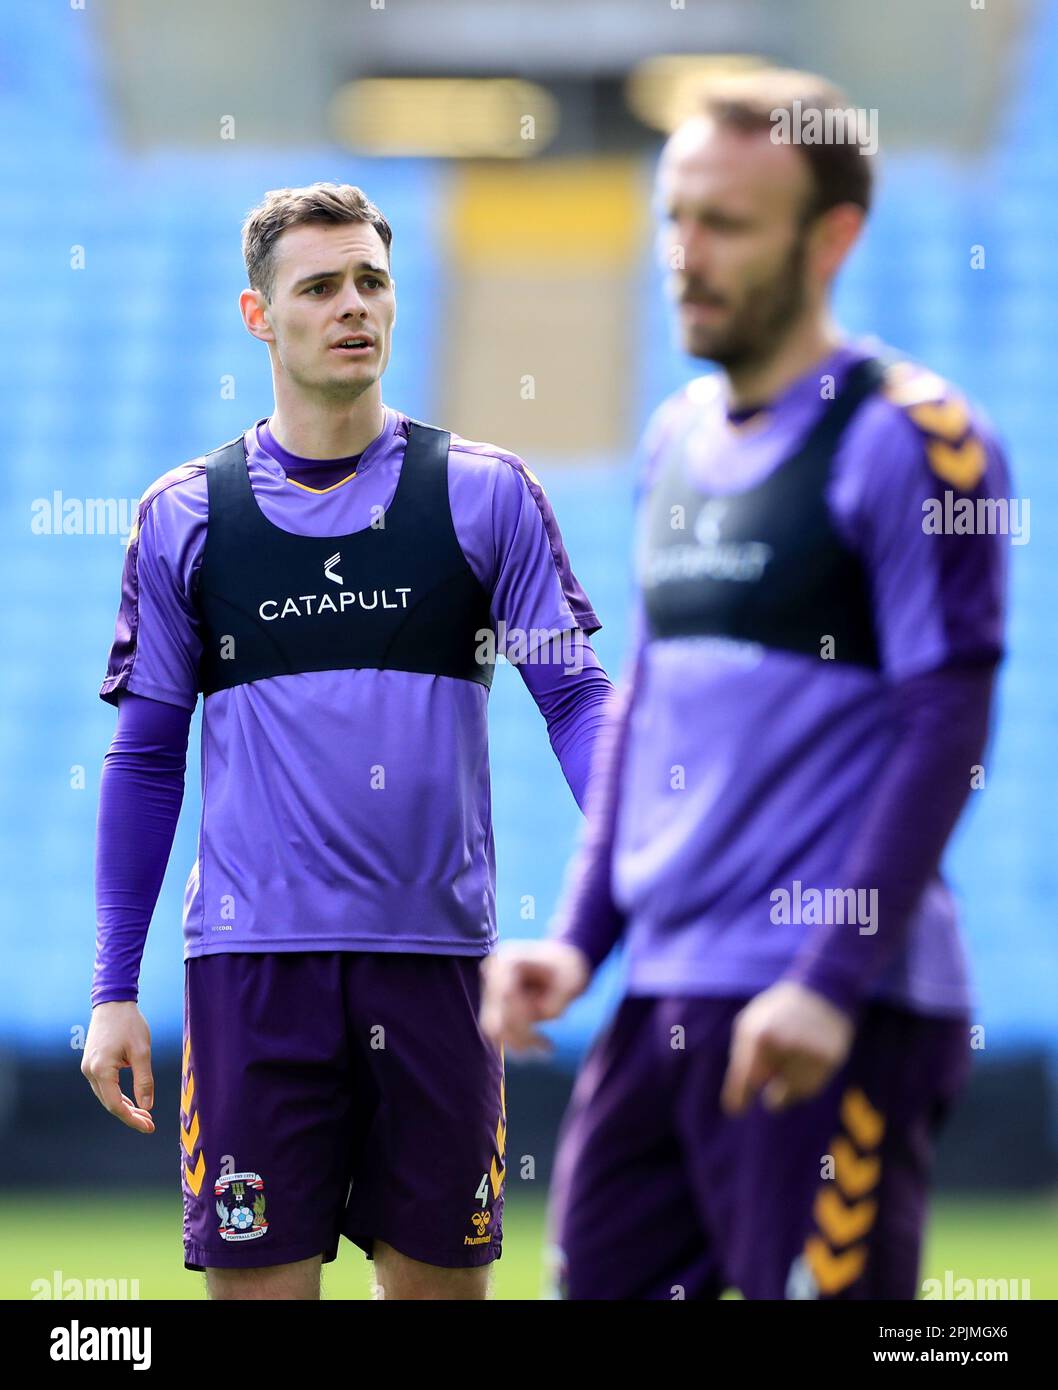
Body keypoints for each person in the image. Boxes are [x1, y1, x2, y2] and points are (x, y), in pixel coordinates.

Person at [481, 70, 1011, 1300]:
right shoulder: (673, 439)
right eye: (674, 216)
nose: (683, 253)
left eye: (724, 222)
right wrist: (578, 941)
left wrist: (825, 982)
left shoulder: (911, 438)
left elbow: (947, 720)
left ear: (831, 237)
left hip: (821, 1013)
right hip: (662, 997)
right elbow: (647, 718)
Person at [82, 181, 613, 1301]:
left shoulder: (485, 495)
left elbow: (573, 702)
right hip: (251, 975)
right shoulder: (186, 515)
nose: (351, 305)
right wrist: (113, 986)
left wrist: (650, 857)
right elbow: (143, 759)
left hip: (437, 974)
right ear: (257, 316)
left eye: (370, 281)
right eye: (318, 287)